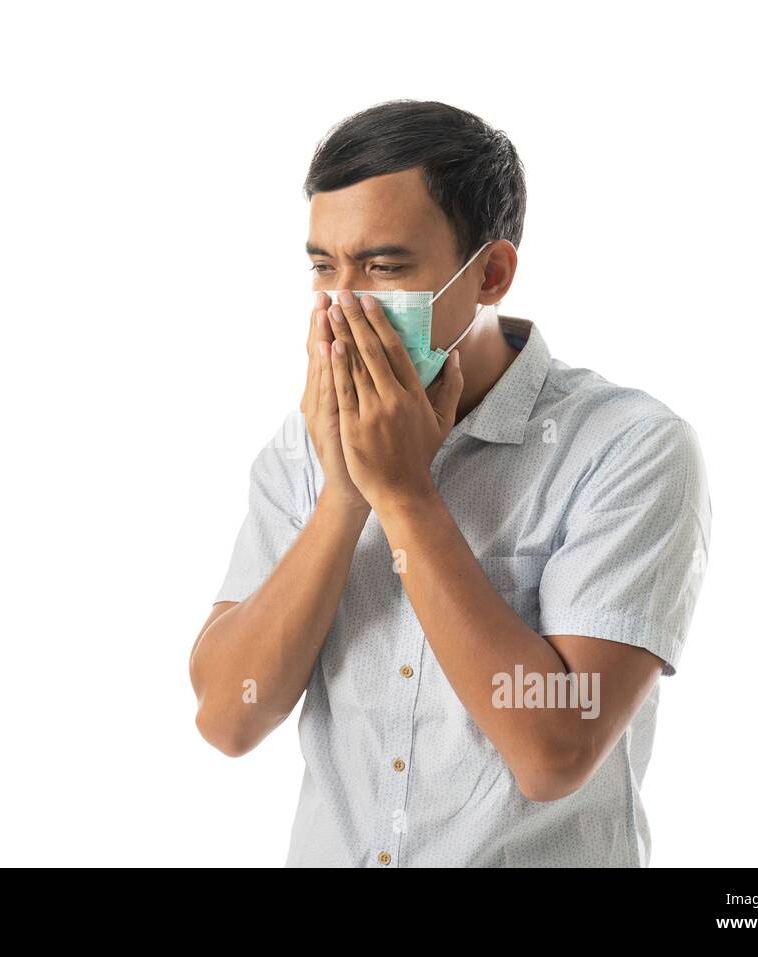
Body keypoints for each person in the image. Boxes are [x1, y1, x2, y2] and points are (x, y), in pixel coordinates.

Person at [188, 99, 712, 867]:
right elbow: (227, 717)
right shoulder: (304, 449)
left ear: (491, 273)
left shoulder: (626, 448)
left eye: (385, 266)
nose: (344, 303)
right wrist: (344, 495)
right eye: (324, 266)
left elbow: (555, 750)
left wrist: (405, 498)